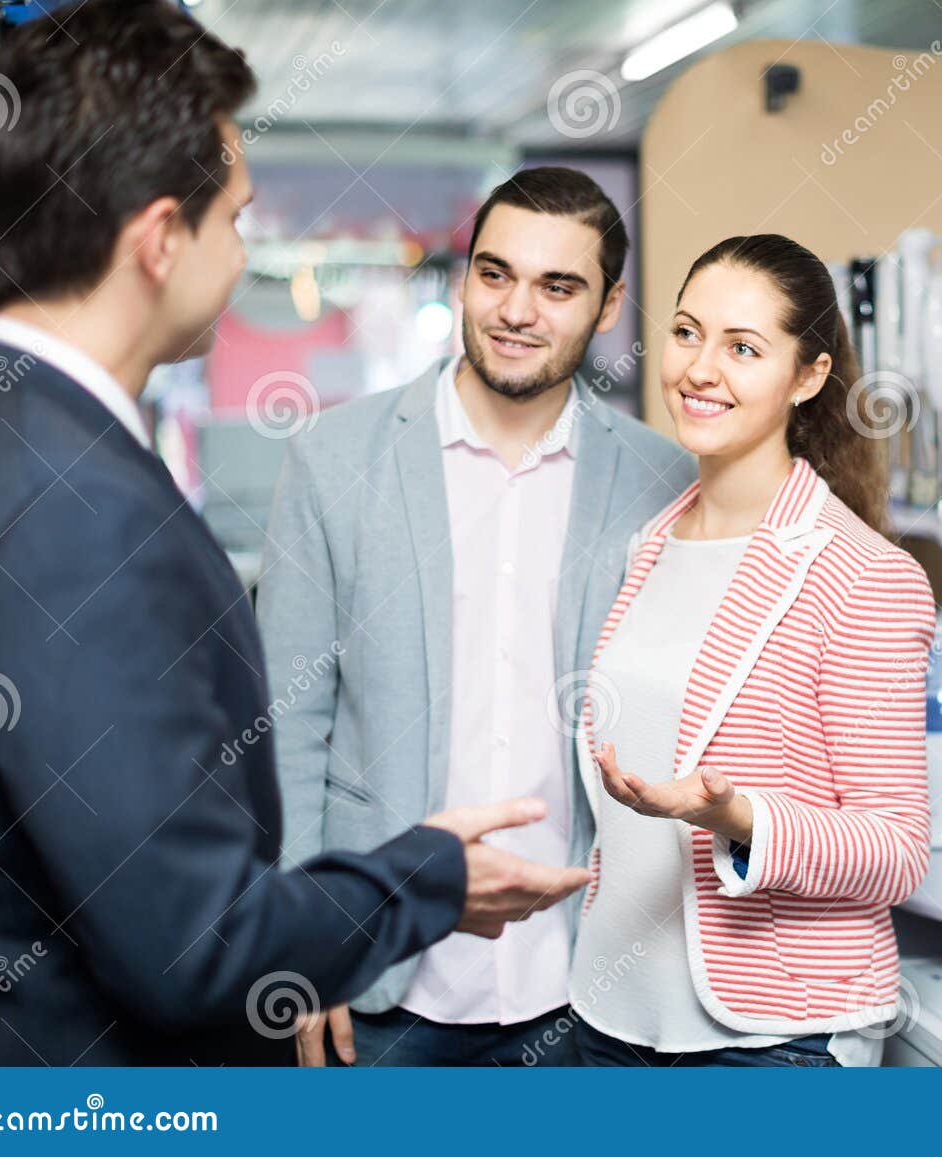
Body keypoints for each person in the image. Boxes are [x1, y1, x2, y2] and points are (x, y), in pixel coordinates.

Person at [0, 0, 588, 1067]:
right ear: (158, 241)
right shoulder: (76, 514)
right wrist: (428, 876)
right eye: (233, 219)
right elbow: (192, 943)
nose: (239, 257)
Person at [259, 167, 693, 1067]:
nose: (516, 310)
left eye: (558, 286)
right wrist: (309, 939)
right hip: (377, 978)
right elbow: (285, 726)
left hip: (587, 981)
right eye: (494, 274)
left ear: (610, 305)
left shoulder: (663, 480)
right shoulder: (334, 460)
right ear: (464, 278)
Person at [568, 234, 936, 1067]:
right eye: (687, 332)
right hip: (608, 1013)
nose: (701, 369)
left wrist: (740, 819)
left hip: (769, 1041)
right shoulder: (650, 546)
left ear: (807, 376)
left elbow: (897, 848)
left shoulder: (864, 575)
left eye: (743, 348)